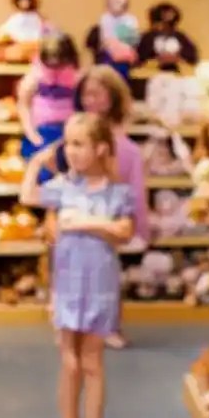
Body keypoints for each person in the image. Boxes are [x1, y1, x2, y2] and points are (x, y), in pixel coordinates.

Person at [20, 113, 134, 418]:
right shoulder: (63, 187)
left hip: (100, 288)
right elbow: (28, 196)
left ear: (100, 148)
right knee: (68, 362)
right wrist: (37, 161)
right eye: (68, 143)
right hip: (67, 286)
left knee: (92, 362)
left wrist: (86, 223)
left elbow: (125, 232)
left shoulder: (118, 192)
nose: (71, 151)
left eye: (79, 144)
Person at [61, 66, 150, 349]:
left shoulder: (124, 146)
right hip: (81, 204)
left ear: (111, 97)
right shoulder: (75, 129)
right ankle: (77, 324)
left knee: (107, 274)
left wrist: (137, 223)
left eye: (96, 94)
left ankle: (109, 326)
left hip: (111, 208)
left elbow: (134, 187)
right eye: (86, 94)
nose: (90, 101)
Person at [16, 30, 80, 182]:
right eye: (50, 63)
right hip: (41, 132)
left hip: (67, 131)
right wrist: (31, 132)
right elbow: (23, 105)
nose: (55, 68)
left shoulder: (76, 77)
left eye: (60, 63)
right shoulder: (36, 76)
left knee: (67, 170)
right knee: (42, 171)